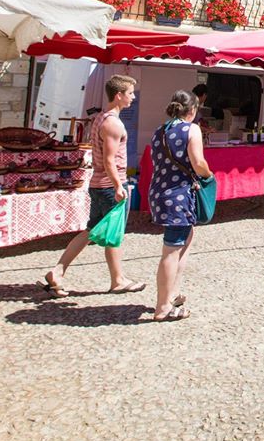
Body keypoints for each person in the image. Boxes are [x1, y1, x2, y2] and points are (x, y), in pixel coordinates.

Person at [44, 75, 146, 297]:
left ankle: (58, 271)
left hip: (99, 183)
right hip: (109, 184)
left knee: (92, 230)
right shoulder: (112, 123)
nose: (132, 97)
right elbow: (109, 159)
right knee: (114, 232)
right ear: (118, 95)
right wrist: (119, 186)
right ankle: (117, 280)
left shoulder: (100, 118)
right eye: (129, 93)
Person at [149, 90, 214, 320]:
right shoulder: (191, 129)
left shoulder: (160, 131)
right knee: (172, 249)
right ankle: (162, 307)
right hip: (178, 195)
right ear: (193, 110)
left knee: (184, 240)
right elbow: (198, 163)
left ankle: (172, 292)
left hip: (159, 192)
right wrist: (209, 175)